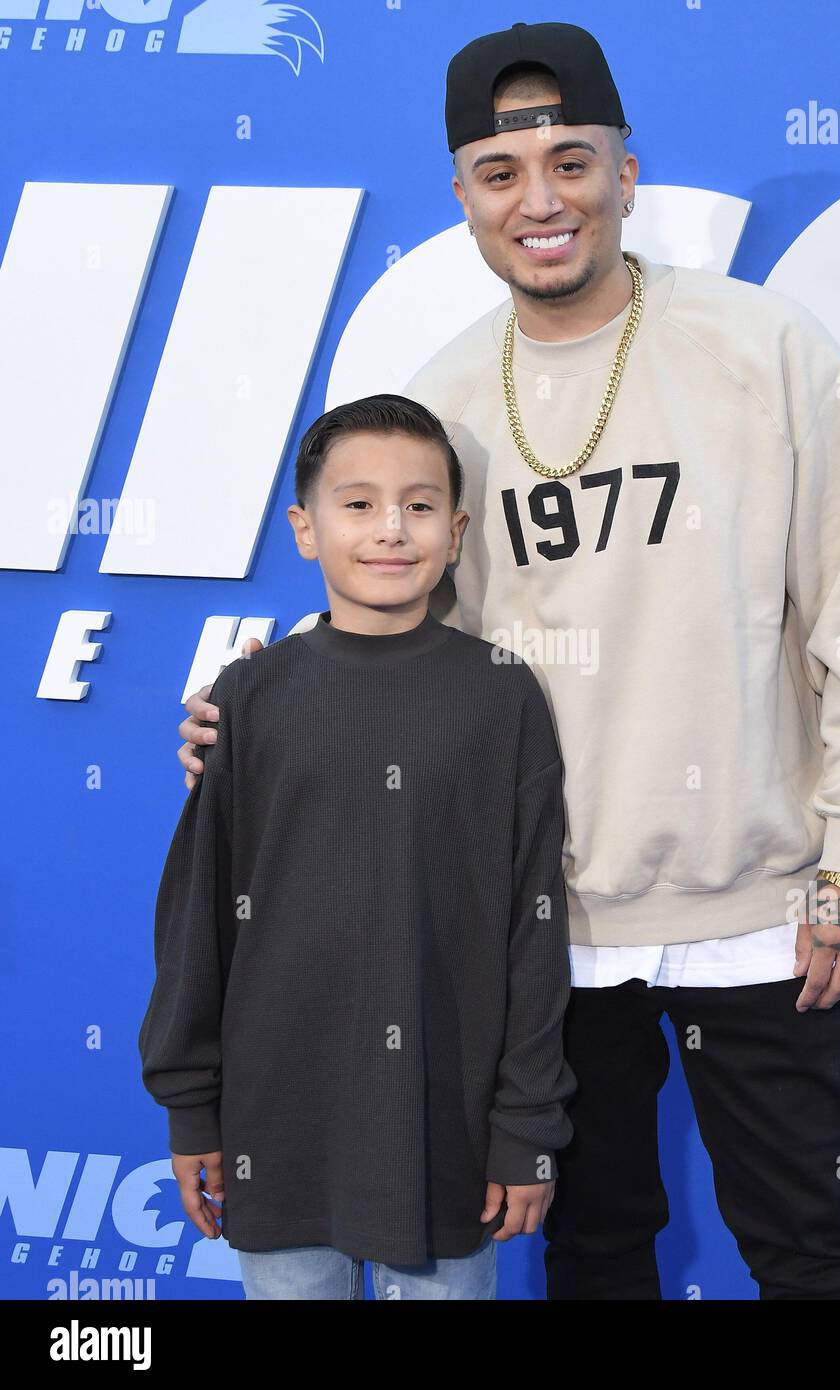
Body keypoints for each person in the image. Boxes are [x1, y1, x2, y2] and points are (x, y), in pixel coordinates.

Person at [177, 22, 840, 1300]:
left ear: (624, 173)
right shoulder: (442, 400)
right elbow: (406, 627)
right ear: (465, 199)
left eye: (569, 161)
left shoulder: (763, 350)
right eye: (501, 171)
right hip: (544, 927)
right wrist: (256, 707)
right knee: (593, 1251)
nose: (539, 200)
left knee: (807, 1252)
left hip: (763, 914)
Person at [140, 394, 576, 1300]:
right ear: (304, 528)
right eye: (358, 504)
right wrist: (192, 1109)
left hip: (445, 1127)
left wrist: (526, 1121)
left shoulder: (502, 696)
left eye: (418, 507)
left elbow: (533, 927)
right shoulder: (248, 694)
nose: (391, 530)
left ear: (454, 533)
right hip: (279, 1126)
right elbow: (197, 917)